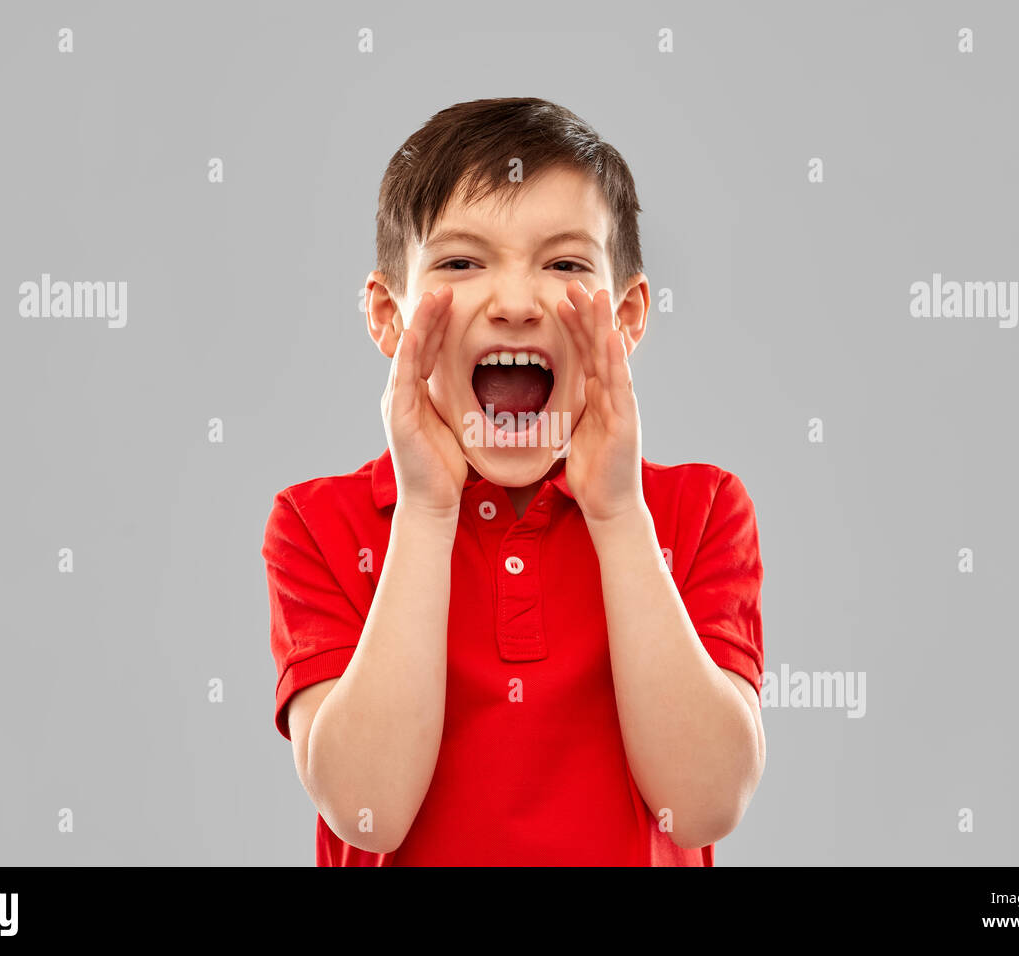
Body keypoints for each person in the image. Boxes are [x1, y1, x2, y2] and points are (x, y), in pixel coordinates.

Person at [263, 97, 766, 865]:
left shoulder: (698, 512)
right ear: (388, 317)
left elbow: (703, 803)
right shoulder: (316, 524)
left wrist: (619, 514)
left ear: (626, 317)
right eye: (461, 262)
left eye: (564, 263)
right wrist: (427, 512)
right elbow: (369, 811)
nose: (517, 304)